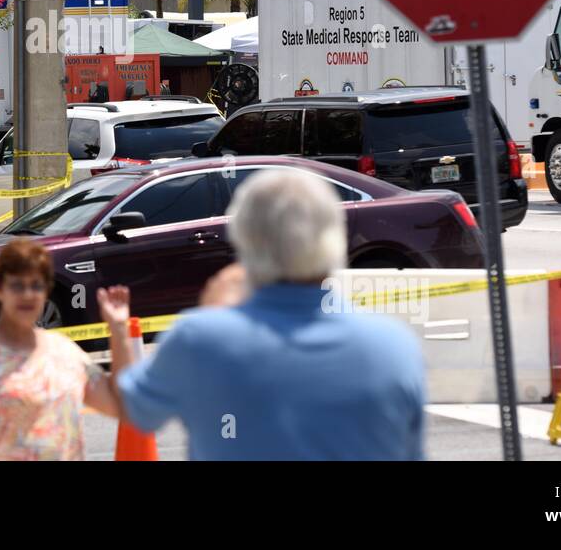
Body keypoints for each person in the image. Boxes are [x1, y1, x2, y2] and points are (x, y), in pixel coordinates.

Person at [110, 167, 427, 460]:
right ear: (333, 237)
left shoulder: (200, 339)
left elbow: (133, 408)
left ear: (245, 239)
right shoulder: (394, 347)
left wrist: (123, 332)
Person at [0, 238, 131, 461]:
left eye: (36, 286)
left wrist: (119, 330)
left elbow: (119, 405)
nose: (28, 294)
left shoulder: (65, 352)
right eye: (17, 285)